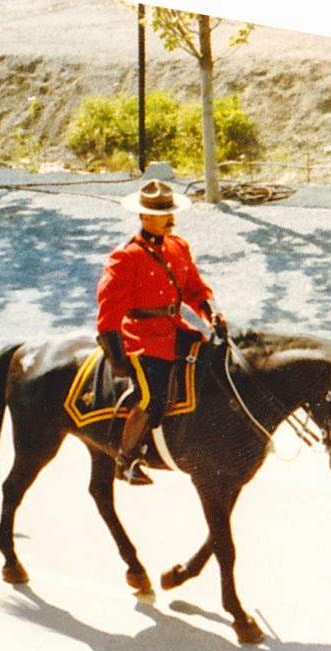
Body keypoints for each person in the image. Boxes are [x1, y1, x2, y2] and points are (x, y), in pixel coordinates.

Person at [95, 180, 225, 485]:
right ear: (144, 216)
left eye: (171, 210)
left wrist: (212, 314)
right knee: (152, 397)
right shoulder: (125, 256)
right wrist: (117, 357)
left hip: (175, 328)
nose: (171, 217)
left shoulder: (178, 246)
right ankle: (126, 459)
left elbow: (195, 288)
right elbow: (108, 314)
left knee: (217, 367)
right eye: (163, 212)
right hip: (141, 337)